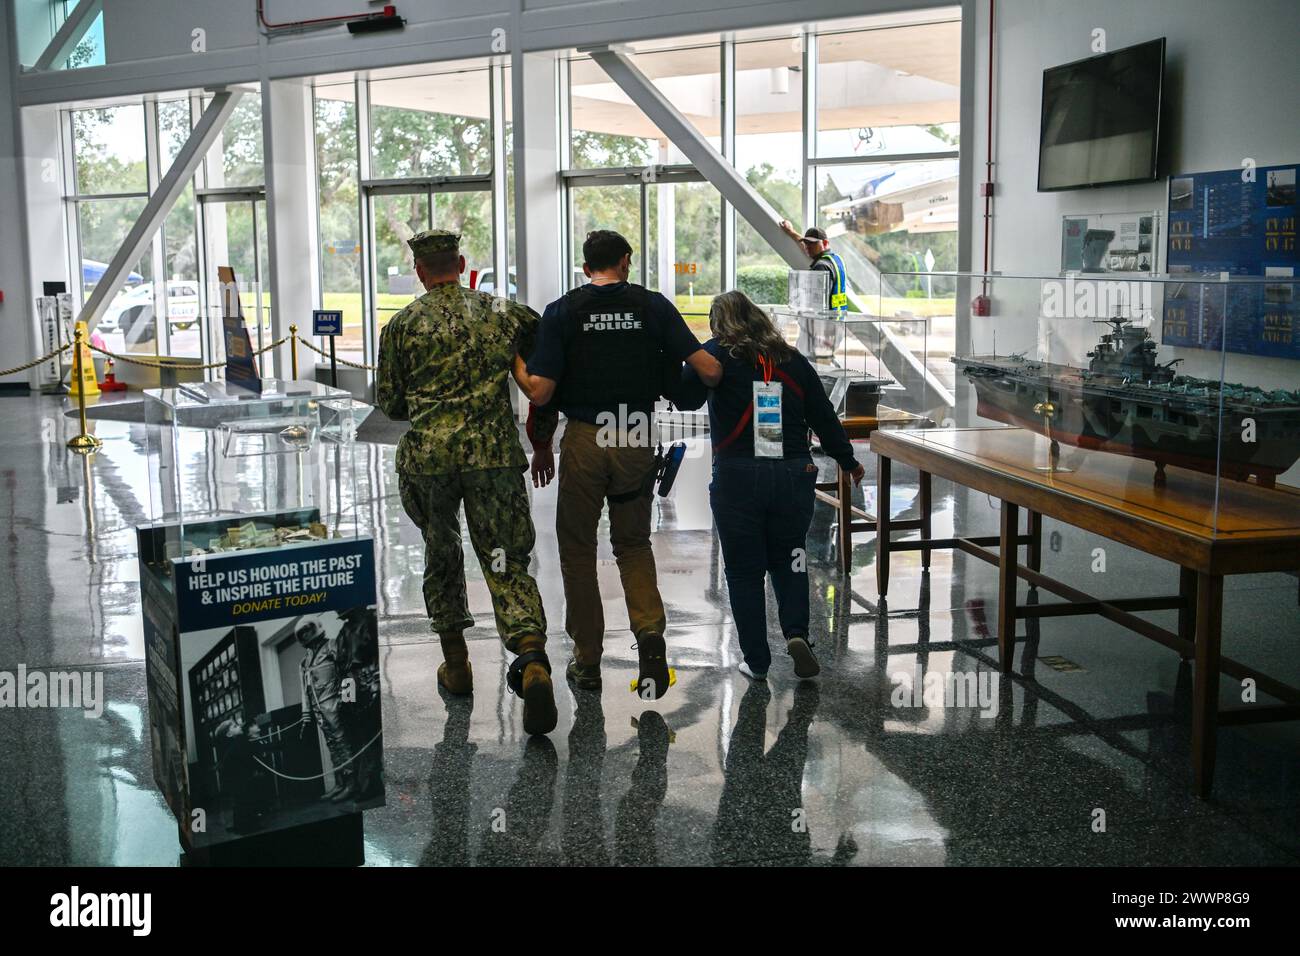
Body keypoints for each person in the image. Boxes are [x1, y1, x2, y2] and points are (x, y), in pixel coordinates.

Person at [512, 229, 722, 697]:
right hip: (635, 434)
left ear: (586, 268)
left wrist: (516, 364)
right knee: (633, 545)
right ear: (626, 261)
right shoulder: (653, 306)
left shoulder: (563, 311)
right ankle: (649, 635)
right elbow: (708, 371)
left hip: (586, 439)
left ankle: (587, 661)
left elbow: (541, 392)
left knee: (578, 550)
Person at [377, 229, 560, 736]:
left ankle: (456, 667)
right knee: (506, 558)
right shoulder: (504, 313)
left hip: (430, 461)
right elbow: (546, 362)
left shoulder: (400, 325)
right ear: (460, 263)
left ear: (419, 270)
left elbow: (390, 404)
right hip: (493, 457)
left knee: (442, 552)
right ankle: (531, 659)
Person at [677, 290, 864, 681]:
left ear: (718, 324)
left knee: (744, 572)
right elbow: (823, 414)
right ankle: (797, 634)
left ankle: (757, 661)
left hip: (737, 475)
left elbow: (686, 399)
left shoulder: (713, 356)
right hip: (794, 474)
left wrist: (682, 359)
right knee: (791, 558)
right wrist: (846, 460)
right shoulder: (792, 359)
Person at [777, 222, 849, 312]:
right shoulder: (836, 260)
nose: (807, 246)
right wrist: (791, 232)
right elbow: (807, 247)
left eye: (812, 243)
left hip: (826, 320)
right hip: (839, 315)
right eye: (806, 242)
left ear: (825, 243)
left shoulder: (821, 266)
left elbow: (816, 303)